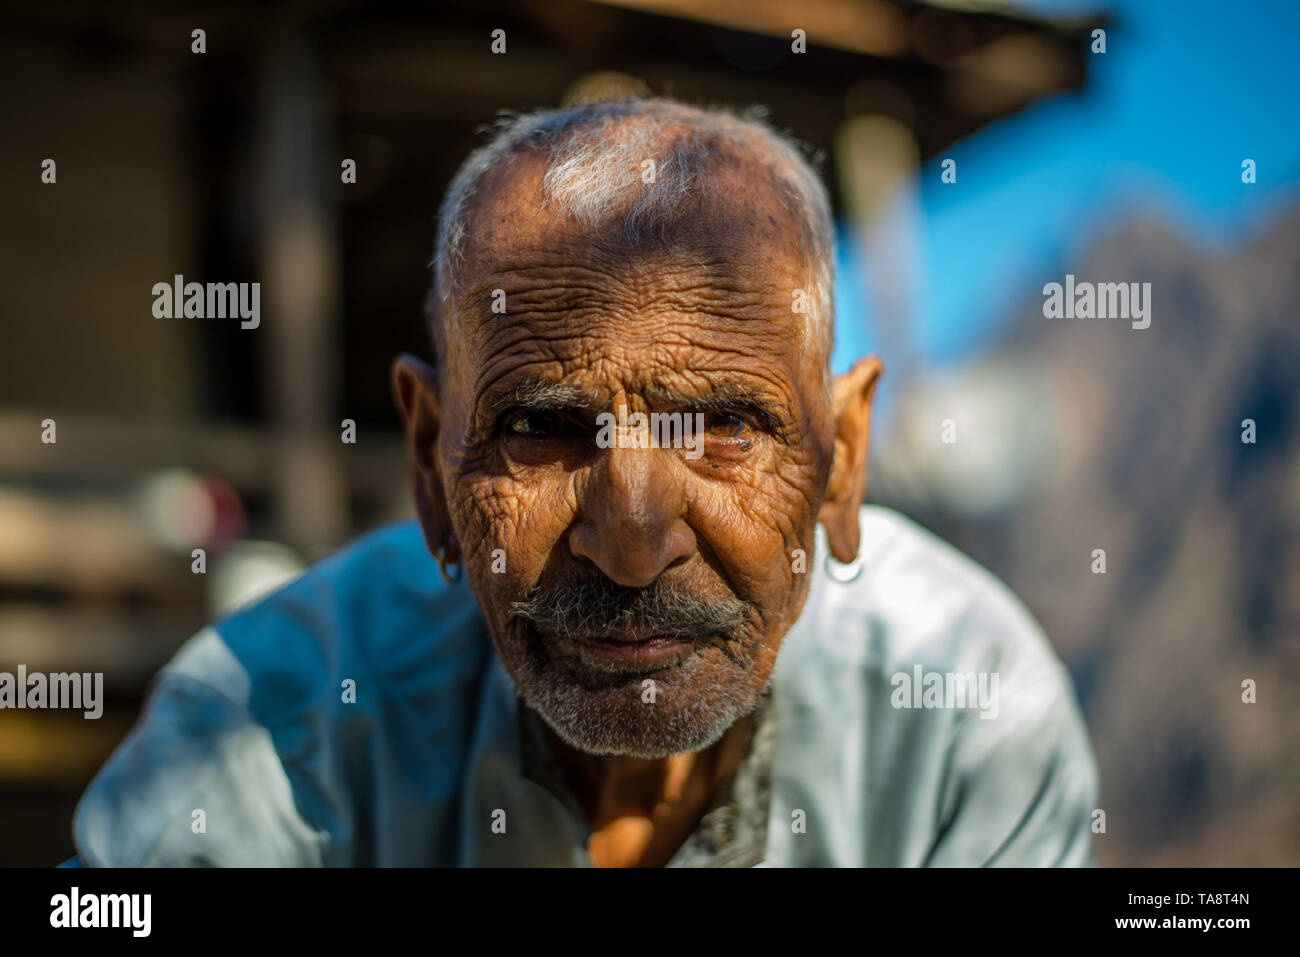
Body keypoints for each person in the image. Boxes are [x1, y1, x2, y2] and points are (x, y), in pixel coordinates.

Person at [70, 98, 1098, 867]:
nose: (633, 542)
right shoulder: (267, 723)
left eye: (726, 426)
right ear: (434, 459)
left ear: (841, 459)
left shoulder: (966, 716)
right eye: (543, 428)